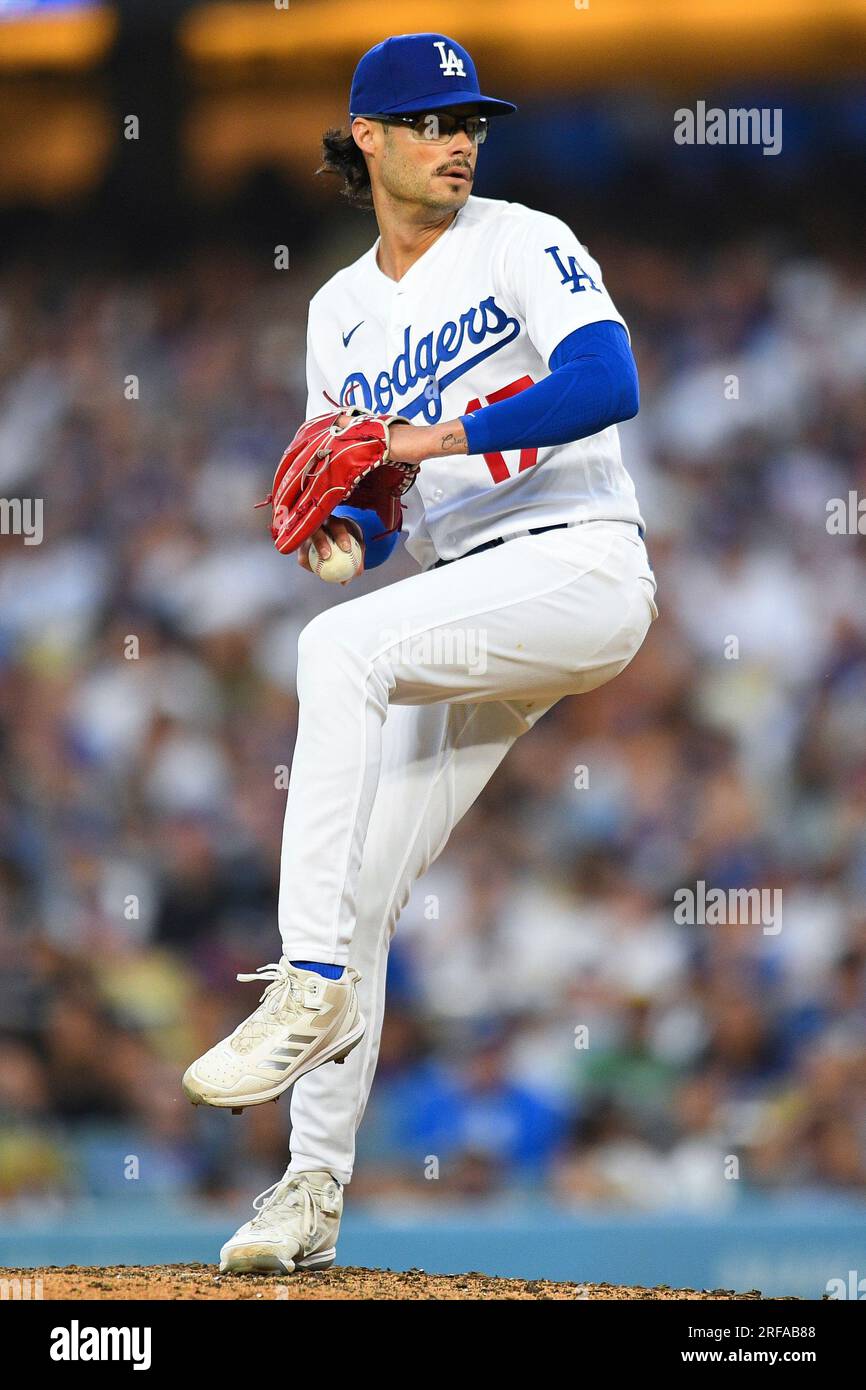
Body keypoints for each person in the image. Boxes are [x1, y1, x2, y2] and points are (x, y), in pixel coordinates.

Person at [182, 31, 658, 1274]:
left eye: (473, 122)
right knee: (366, 882)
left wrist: (423, 439)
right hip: (465, 594)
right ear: (370, 140)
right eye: (437, 121)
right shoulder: (336, 310)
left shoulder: (520, 237)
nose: (461, 142)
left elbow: (606, 379)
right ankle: (309, 1190)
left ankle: (302, 982)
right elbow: (364, 495)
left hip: (578, 562)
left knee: (337, 658)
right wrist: (343, 527)